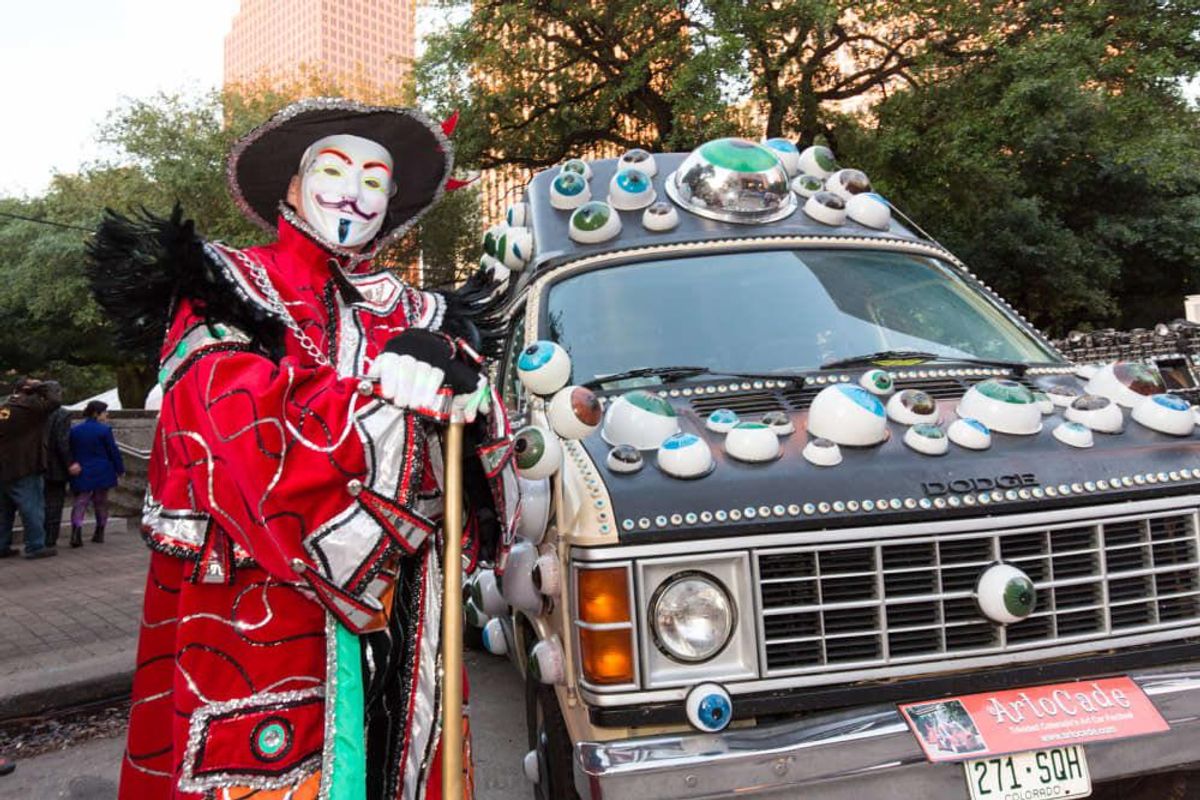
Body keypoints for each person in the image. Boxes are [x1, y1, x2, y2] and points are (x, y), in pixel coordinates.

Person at [87, 99, 518, 800]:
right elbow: (231, 423)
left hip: (411, 622)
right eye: (334, 168)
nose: (354, 191)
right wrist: (385, 401)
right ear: (290, 186)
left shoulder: (422, 314)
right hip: (264, 609)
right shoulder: (223, 286)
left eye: (375, 180)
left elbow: (476, 460)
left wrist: (463, 394)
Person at [0, 376, 60, 559]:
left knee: (3, 511)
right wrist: (44, 387)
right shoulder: (30, 408)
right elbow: (55, 401)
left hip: (3, 467)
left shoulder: (5, 407)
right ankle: (35, 545)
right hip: (24, 466)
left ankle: (2, 545)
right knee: (31, 507)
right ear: (28, 390)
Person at [67, 400, 125, 547]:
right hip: (102, 469)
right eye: (105, 412)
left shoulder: (75, 430)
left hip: (82, 470)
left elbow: (70, 450)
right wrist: (120, 469)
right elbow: (113, 451)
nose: (107, 414)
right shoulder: (104, 430)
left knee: (81, 502)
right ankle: (99, 532)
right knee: (101, 502)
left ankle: (76, 532)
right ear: (96, 413)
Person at [42, 381, 74, 549]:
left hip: (35, 465)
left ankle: (39, 537)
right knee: (54, 504)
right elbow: (63, 442)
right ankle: (50, 538)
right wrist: (70, 463)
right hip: (54, 467)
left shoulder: (34, 412)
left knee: (39, 503)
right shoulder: (62, 415)